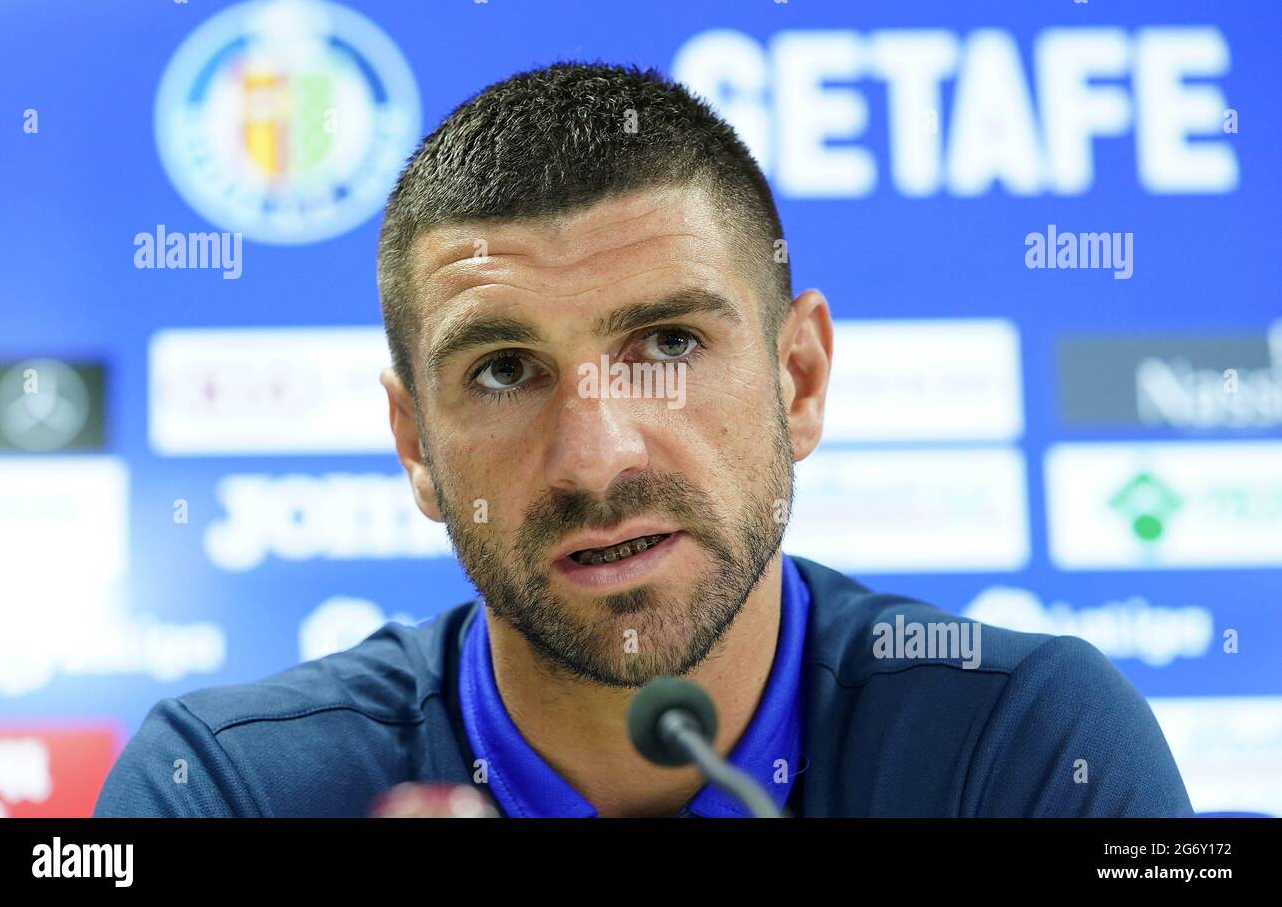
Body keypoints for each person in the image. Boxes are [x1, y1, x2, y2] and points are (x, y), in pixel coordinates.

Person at [95, 62, 1193, 818]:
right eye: (504, 370)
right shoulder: (224, 785)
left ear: (797, 377)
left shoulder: (1022, 743)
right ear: (416, 443)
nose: (597, 456)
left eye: (666, 341)